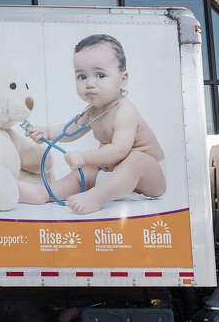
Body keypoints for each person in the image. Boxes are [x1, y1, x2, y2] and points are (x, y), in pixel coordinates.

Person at [21, 34, 166, 214]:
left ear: (123, 79)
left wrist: (84, 157)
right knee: (86, 171)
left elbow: (119, 150)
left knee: (135, 159)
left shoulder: (125, 111)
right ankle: (45, 193)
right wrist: (46, 133)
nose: (90, 83)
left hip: (149, 179)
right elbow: (70, 130)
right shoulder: (93, 111)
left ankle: (97, 197)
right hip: (115, 175)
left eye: (100, 75)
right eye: (82, 76)